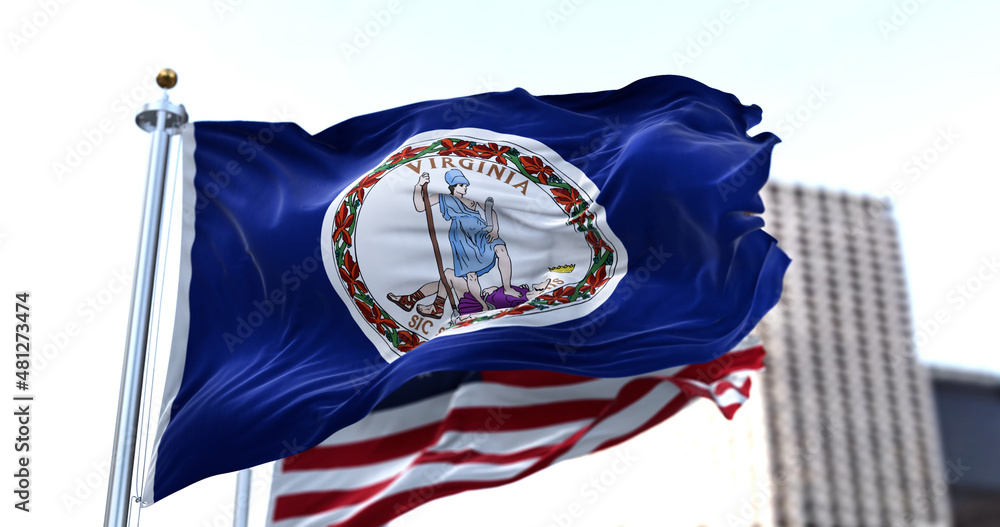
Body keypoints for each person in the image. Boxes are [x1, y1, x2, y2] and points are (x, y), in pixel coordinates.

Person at [387, 169, 521, 318]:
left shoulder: (473, 198)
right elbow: (420, 206)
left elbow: (490, 210)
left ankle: (507, 287)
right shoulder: (442, 197)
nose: (465, 188)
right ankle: (480, 306)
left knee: (501, 249)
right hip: (461, 235)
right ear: (453, 186)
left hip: (481, 231)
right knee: (469, 275)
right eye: (462, 185)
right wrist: (419, 185)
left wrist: (495, 228)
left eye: (465, 185)